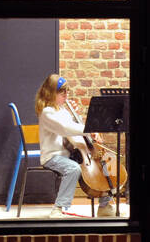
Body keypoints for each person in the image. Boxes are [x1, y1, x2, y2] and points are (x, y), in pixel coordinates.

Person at [35, 73, 116, 218]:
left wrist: (75, 115)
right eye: (62, 92)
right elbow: (66, 128)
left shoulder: (62, 110)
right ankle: (59, 208)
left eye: (67, 91)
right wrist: (90, 129)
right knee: (73, 169)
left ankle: (105, 205)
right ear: (51, 93)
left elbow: (72, 128)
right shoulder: (47, 112)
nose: (66, 95)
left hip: (69, 154)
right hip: (53, 157)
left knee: (104, 163)